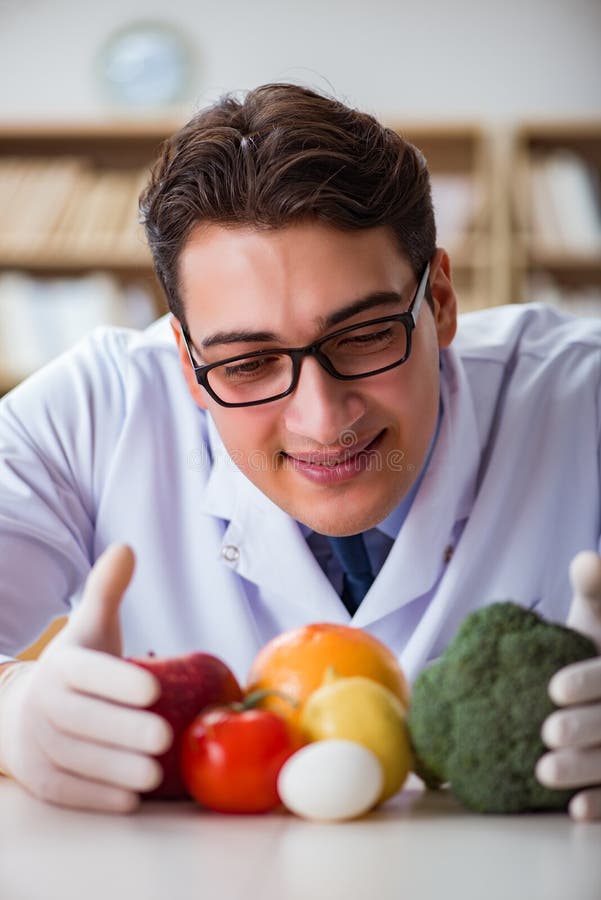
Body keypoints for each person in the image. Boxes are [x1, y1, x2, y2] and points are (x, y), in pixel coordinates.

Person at [0, 83, 600, 818]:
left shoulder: (584, 396)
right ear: (187, 365)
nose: (321, 420)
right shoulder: (92, 412)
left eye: (365, 335)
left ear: (438, 302)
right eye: (248, 363)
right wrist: (11, 709)